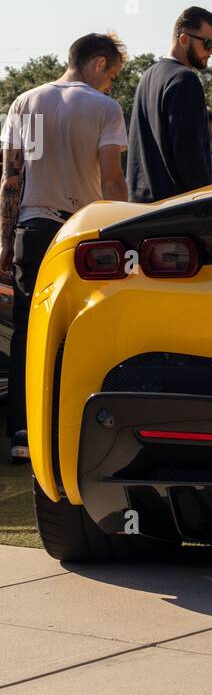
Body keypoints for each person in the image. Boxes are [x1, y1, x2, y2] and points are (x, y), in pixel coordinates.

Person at [0, 32, 128, 462]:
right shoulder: (105, 109)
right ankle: (72, 428)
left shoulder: (24, 103)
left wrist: (4, 242)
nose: (110, 85)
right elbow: (111, 179)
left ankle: (23, 431)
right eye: (111, 76)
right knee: (81, 330)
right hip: (82, 233)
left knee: (27, 330)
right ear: (97, 64)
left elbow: (11, 179)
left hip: (31, 228)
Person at [127, 6, 212, 202]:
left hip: (139, 209)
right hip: (175, 212)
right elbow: (190, 156)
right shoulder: (185, 80)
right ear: (184, 39)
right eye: (208, 44)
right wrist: (203, 203)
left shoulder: (147, 77)